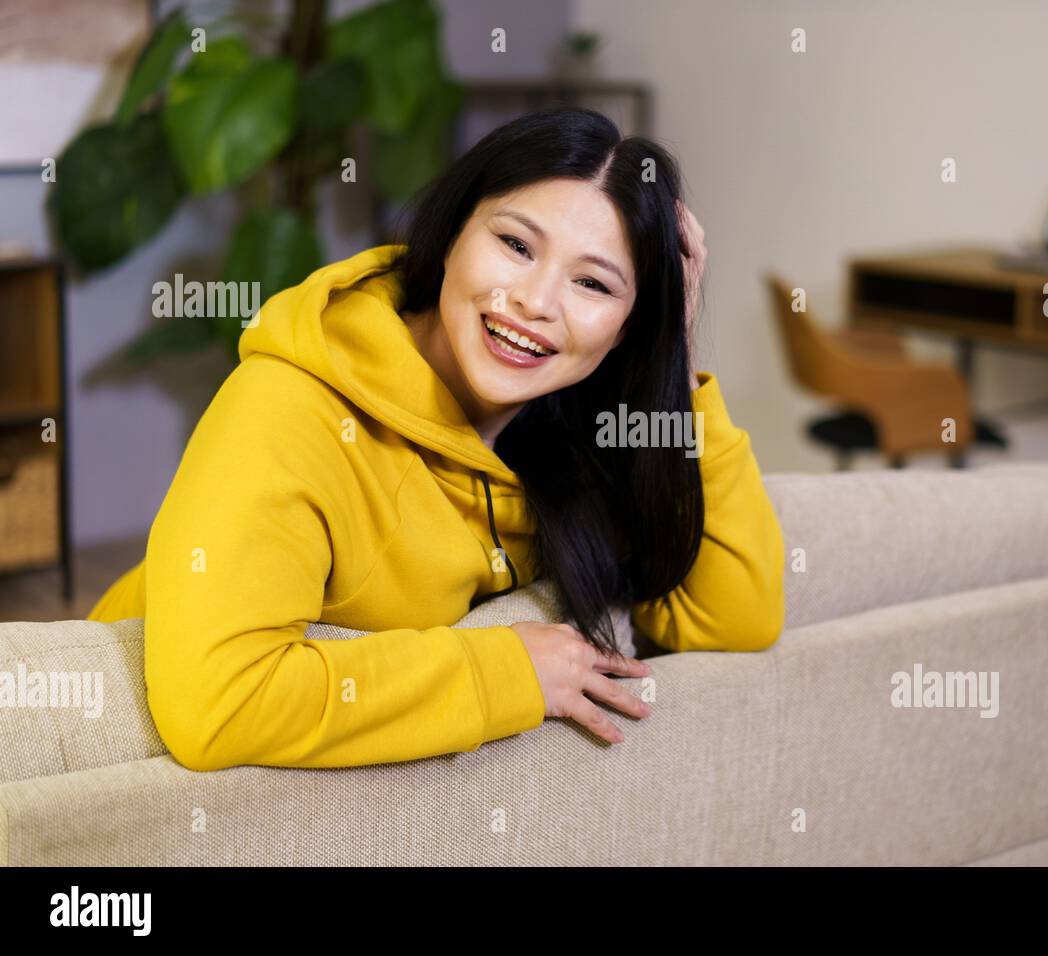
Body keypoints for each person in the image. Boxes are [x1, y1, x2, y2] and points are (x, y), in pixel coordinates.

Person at [86, 107, 784, 772]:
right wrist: (506, 670)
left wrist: (679, 358)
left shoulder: (572, 433)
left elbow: (736, 615)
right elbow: (218, 702)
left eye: (593, 284)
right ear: (452, 234)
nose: (535, 302)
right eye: (515, 244)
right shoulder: (289, 409)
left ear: (627, 327)